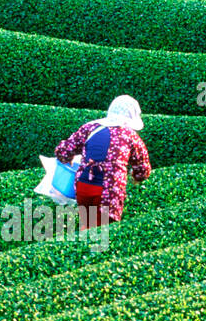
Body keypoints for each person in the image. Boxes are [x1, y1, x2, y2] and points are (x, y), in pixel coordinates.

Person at [54, 94, 151, 228]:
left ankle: (83, 246)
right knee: (103, 231)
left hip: (84, 185)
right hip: (110, 190)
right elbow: (143, 168)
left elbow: (63, 151)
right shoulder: (130, 136)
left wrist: (68, 159)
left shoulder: (90, 128)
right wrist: (136, 177)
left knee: (88, 225)